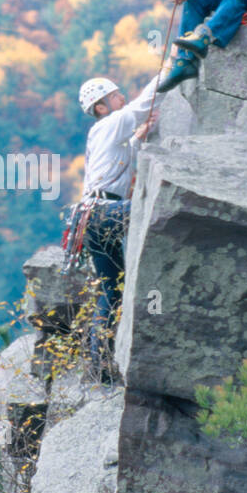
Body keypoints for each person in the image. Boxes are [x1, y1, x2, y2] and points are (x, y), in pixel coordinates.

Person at [75, 58, 171, 381]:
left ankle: (99, 365)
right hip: (107, 212)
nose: (121, 99)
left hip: (91, 216)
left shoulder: (102, 132)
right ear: (101, 107)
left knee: (111, 289)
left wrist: (140, 136)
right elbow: (143, 105)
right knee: (161, 211)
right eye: (115, 96)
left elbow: (124, 151)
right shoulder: (111, 122)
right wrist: (171, 68)